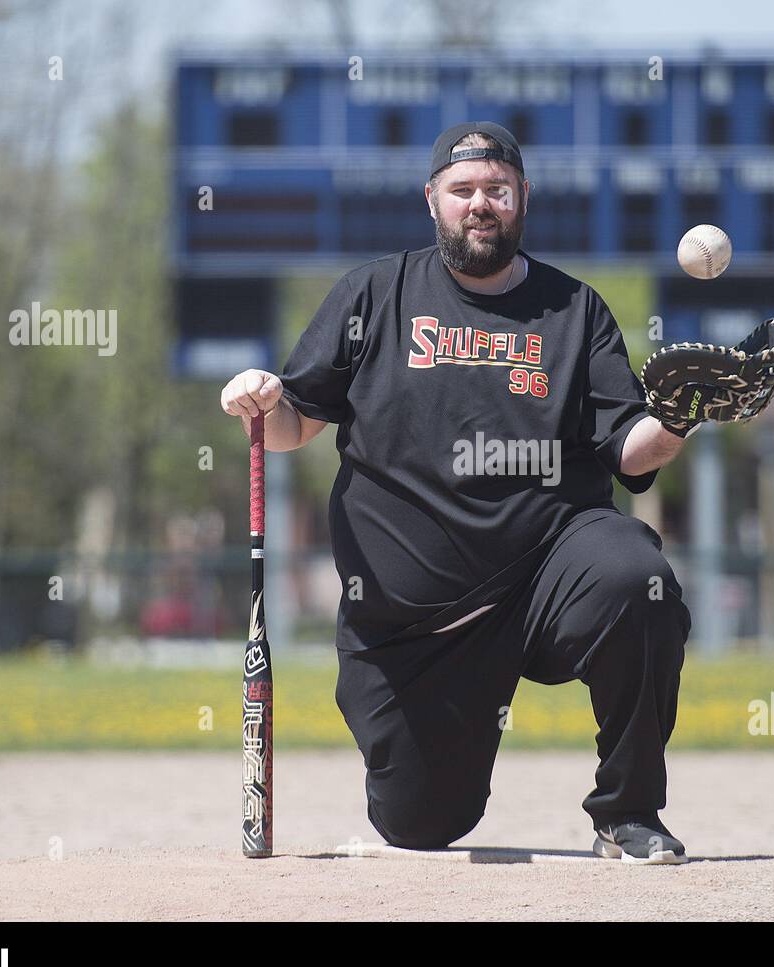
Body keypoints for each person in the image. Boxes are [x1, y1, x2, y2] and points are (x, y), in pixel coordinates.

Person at [221, 121, 694, 863]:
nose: (481, 204)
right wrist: (260, 400)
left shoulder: (576, 311)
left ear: (522, 199)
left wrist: (680, 416)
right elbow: (292, 423)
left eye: (497, 190)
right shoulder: (373, 295)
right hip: (416, 628)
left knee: (640, 580)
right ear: (432, 200)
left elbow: (633, 452)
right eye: (463, 190)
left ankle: (627, 811)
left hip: (547, 574)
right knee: (421, 823)